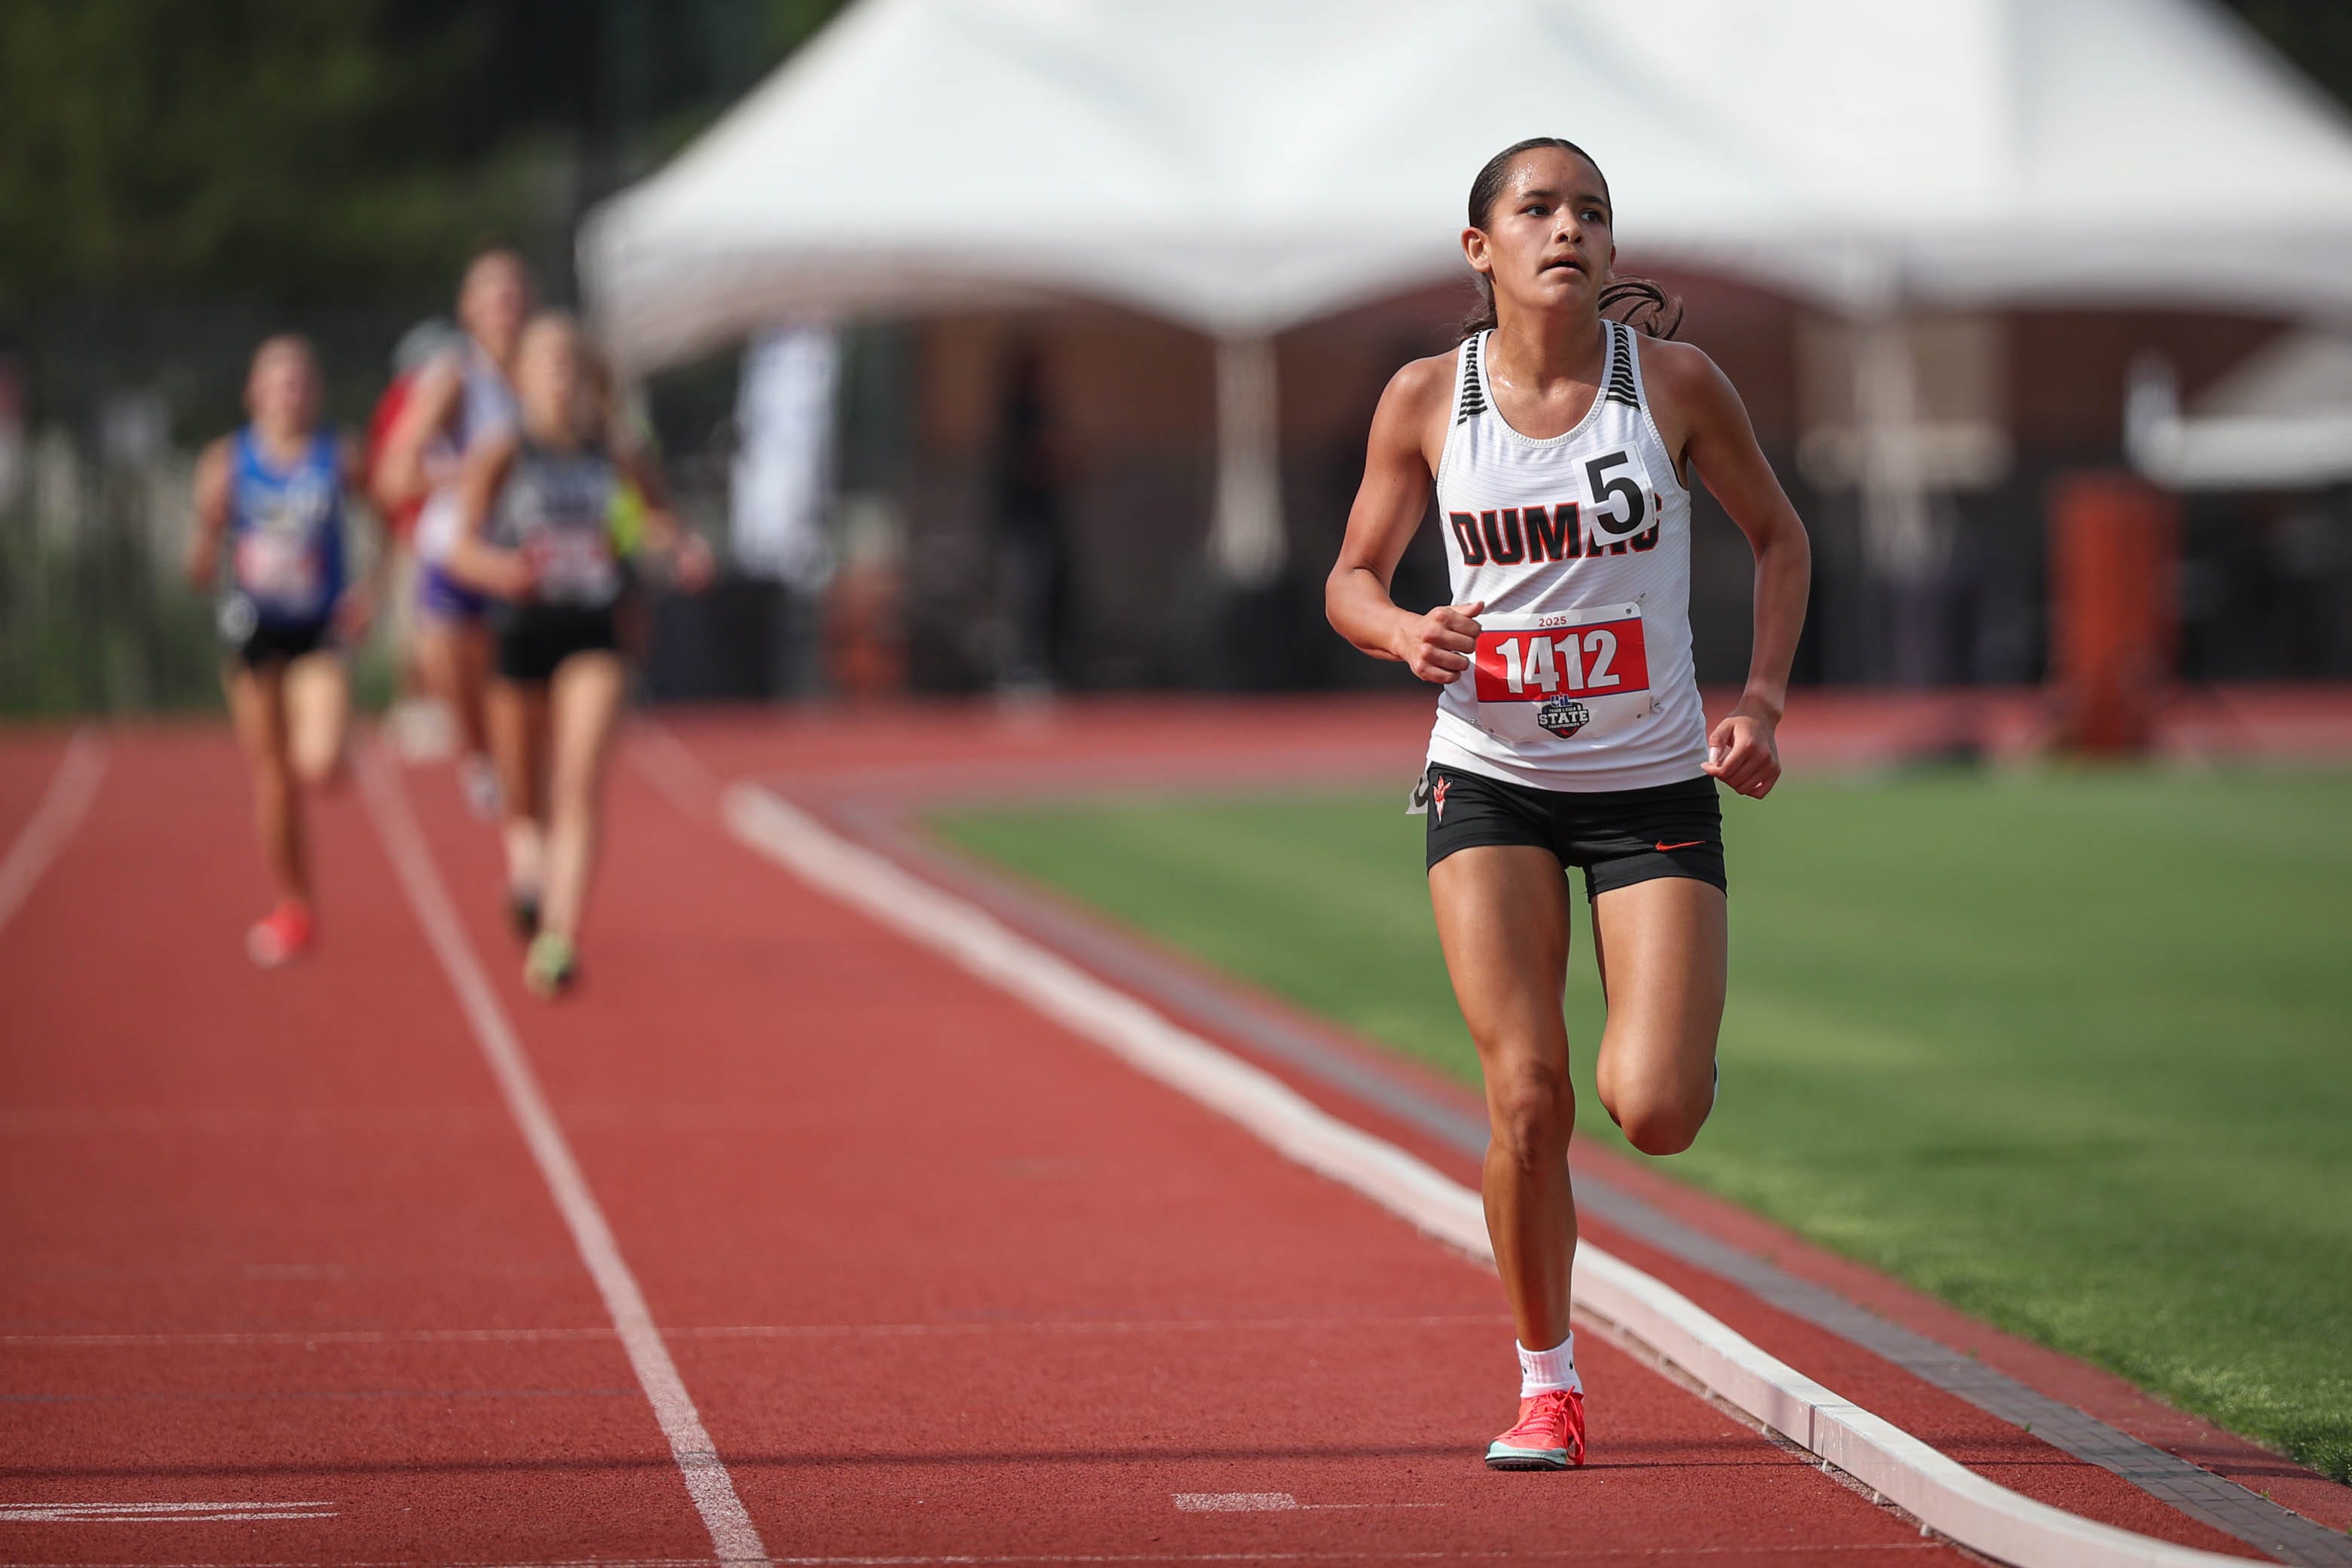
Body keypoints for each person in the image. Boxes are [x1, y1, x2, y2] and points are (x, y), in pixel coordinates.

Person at [1325, 138, 1810, 1471]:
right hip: (1490, 779)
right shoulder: (1428, 398)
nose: (1568, 229)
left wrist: (1763, 703)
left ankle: (1674, 1050)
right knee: (1528, 1096)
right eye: (1537, 208)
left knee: (1655, 1108)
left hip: (1650, 781)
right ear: (1480, 248)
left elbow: (1780, 535)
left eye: (1590, 211)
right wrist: (1400, 629)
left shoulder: (1675, 385)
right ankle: (1549, 1383)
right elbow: (1351, 578)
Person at [447, 313, 713, 997]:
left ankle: (560, 937)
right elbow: (460, 549)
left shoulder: (617, 451)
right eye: (545, 362)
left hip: (594, 627)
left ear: (588, 375)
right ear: (522, 378)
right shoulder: (503, 452)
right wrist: (505, 571)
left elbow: (655, 517)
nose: (559, 375)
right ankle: (528, 876)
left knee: (578, 781)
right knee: (524, 796)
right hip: (522, 628)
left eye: (569, 361)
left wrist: (679, 547)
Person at [185, 335, 375, 966]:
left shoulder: (339, 455)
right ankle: (294, 906)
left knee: (317, 763)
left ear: (315, 393)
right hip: (253, 627)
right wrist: (208, 525)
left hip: (318, 626)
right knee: (271, 775)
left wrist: (372, 591)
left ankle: (335, 739)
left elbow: (388, 519)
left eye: (300, 382)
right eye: (278, 382)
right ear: (254, 392)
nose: (289, 394)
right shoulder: (226, 461)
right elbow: (197, 570)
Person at [374, 250, 534, 819]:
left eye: (513, 294)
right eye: (493, 296)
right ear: (469, 309)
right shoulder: (454, 379)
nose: (505, 307)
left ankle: (524, 795)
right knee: (465, 693)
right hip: (459, 556)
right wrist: (471, 473)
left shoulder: (550, 372)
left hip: (527, 553)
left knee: (524, 703)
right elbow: (394, 475)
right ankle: (480, 758)